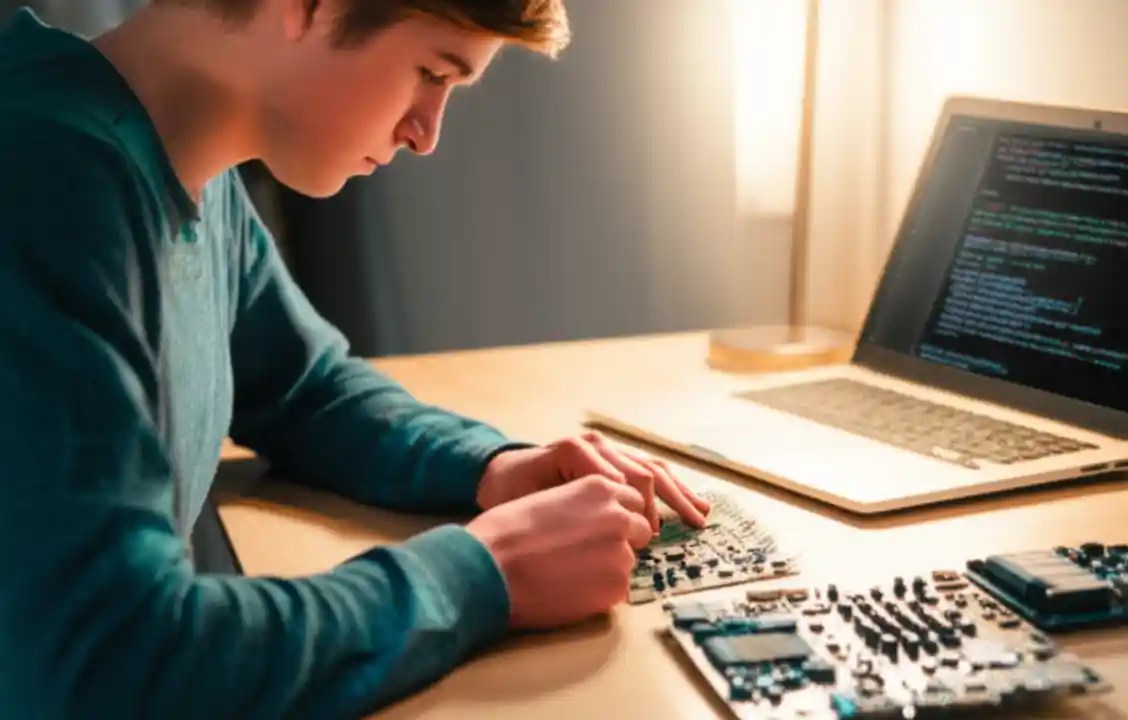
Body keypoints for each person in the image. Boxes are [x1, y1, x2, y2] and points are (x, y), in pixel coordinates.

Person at [0, 1, 711, 717]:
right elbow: (113, 662)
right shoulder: (42, 177)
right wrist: (482, 574)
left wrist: (490, 466)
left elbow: (303, 388)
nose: (427, 134)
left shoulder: (189, 168)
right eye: (431, 72)